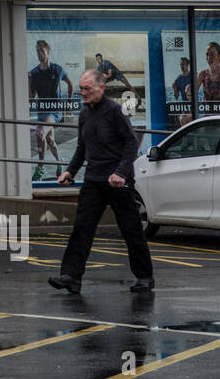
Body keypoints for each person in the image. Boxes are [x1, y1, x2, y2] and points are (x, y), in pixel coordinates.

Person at [48, 69, 155, 294]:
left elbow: (130, 144)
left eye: (87, 89)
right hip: (94, 180)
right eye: (81, 89)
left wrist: (121, 173)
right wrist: (70, 171)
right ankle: (71, 277)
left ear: (101, 87)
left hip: (118, 181)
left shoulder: (115, 111)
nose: (83, 93)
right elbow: (81, 147)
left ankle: (145, 277)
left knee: (131, 229)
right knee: (82, 228)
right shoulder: (85, 113)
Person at [28, 40, 72, 179]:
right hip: (41, 111)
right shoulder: (34, 73)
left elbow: (70, 83)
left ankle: (40, 168)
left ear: (48, 51)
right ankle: (60, 164)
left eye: (41, 50)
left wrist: (68, 103)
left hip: (54, 111)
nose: (39, 54)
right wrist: (28, 81)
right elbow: (32, 97)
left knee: (40, 133)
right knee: (50, 140)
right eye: (37, 51)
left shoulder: (57, 69)